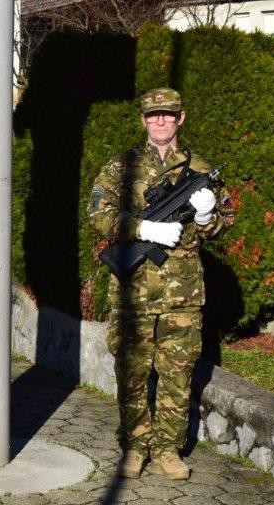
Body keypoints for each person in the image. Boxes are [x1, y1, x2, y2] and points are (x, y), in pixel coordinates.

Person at [87, 87, 231, 480]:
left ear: (181, 118)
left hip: (182, 294)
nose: (161, 121)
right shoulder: (122, 166)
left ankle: (168, 450)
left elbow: (222, 225)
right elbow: (98, 213)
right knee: (131, 372)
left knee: (177, 375)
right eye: (153, 115)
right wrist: (141, 227)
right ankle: (135, 448)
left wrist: (205, 217)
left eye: (168, 114)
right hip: (133, 291)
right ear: (143, 120)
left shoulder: (199, 169)